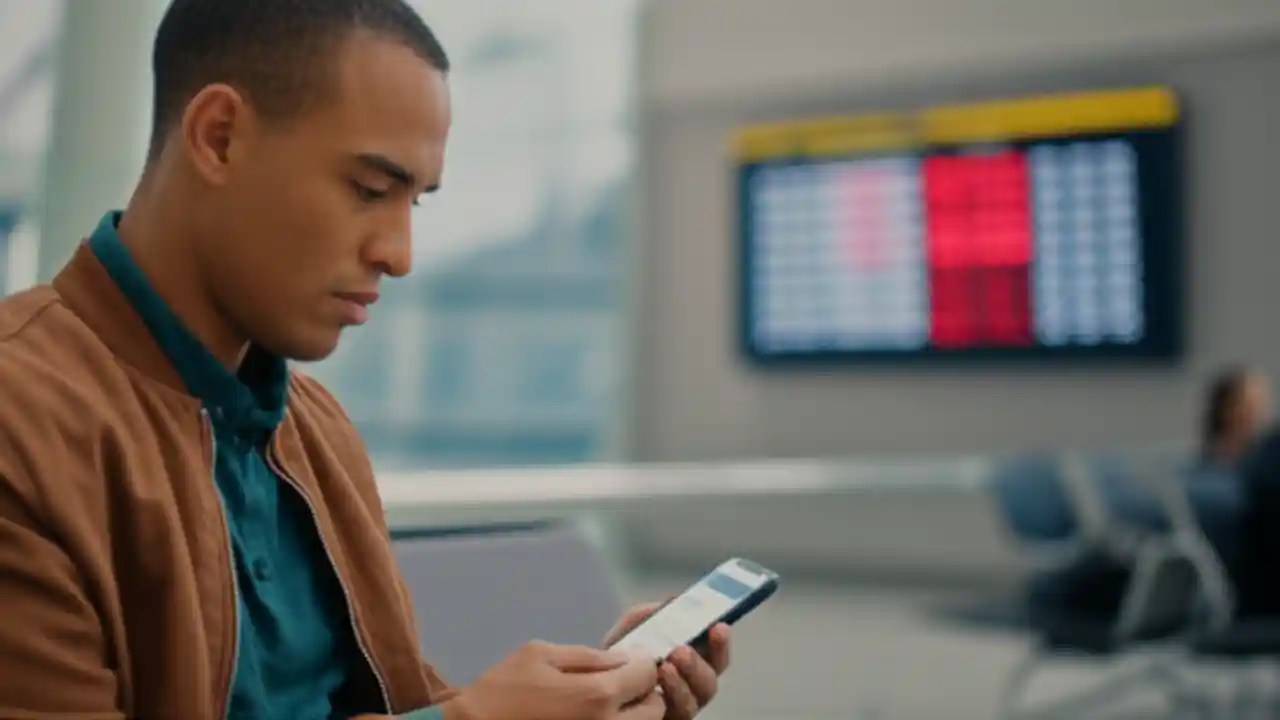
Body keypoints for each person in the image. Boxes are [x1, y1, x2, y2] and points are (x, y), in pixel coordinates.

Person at [0, 1, 730, 718]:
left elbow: (399, 705)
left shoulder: (315, 431)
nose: (400, 255)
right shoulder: (20, 422)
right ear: (219, 137)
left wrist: (589, 703)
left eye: (413, 202)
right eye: (370, 189)